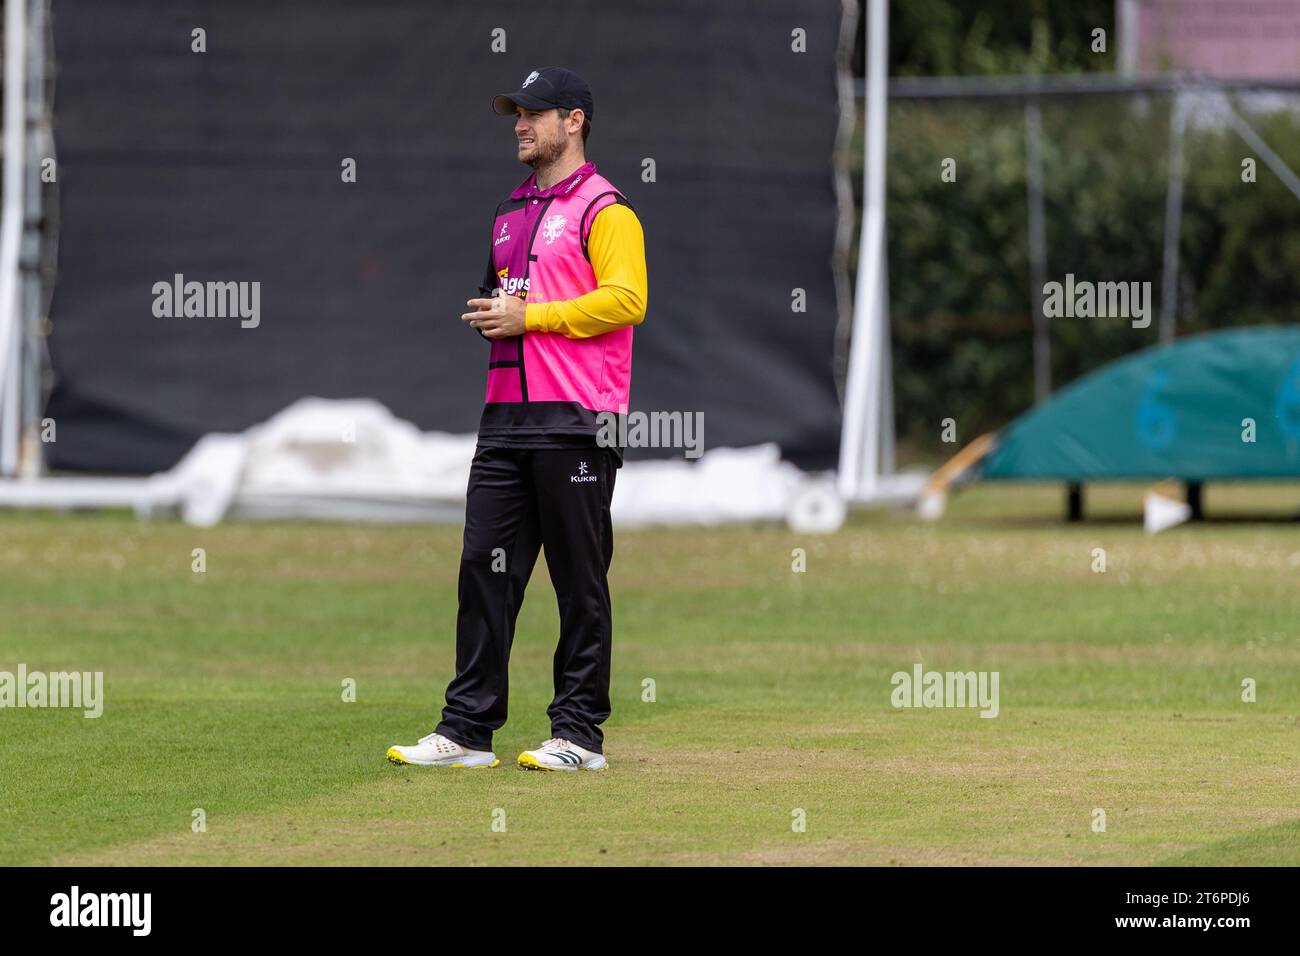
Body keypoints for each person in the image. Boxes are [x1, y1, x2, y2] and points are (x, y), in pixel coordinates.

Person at [387, 67, 647, 772]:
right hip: (505, 421)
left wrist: (530, 316)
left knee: (578, 581)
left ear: (574, 122)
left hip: (576, 422)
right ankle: (468, 730)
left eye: (534, 114)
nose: (520, 125)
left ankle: (578, 736)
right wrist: (494, 317)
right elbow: (500, 303)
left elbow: (628, 300)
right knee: (484, 571)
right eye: (515, 114)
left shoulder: (607, 209)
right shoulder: (509, 213)